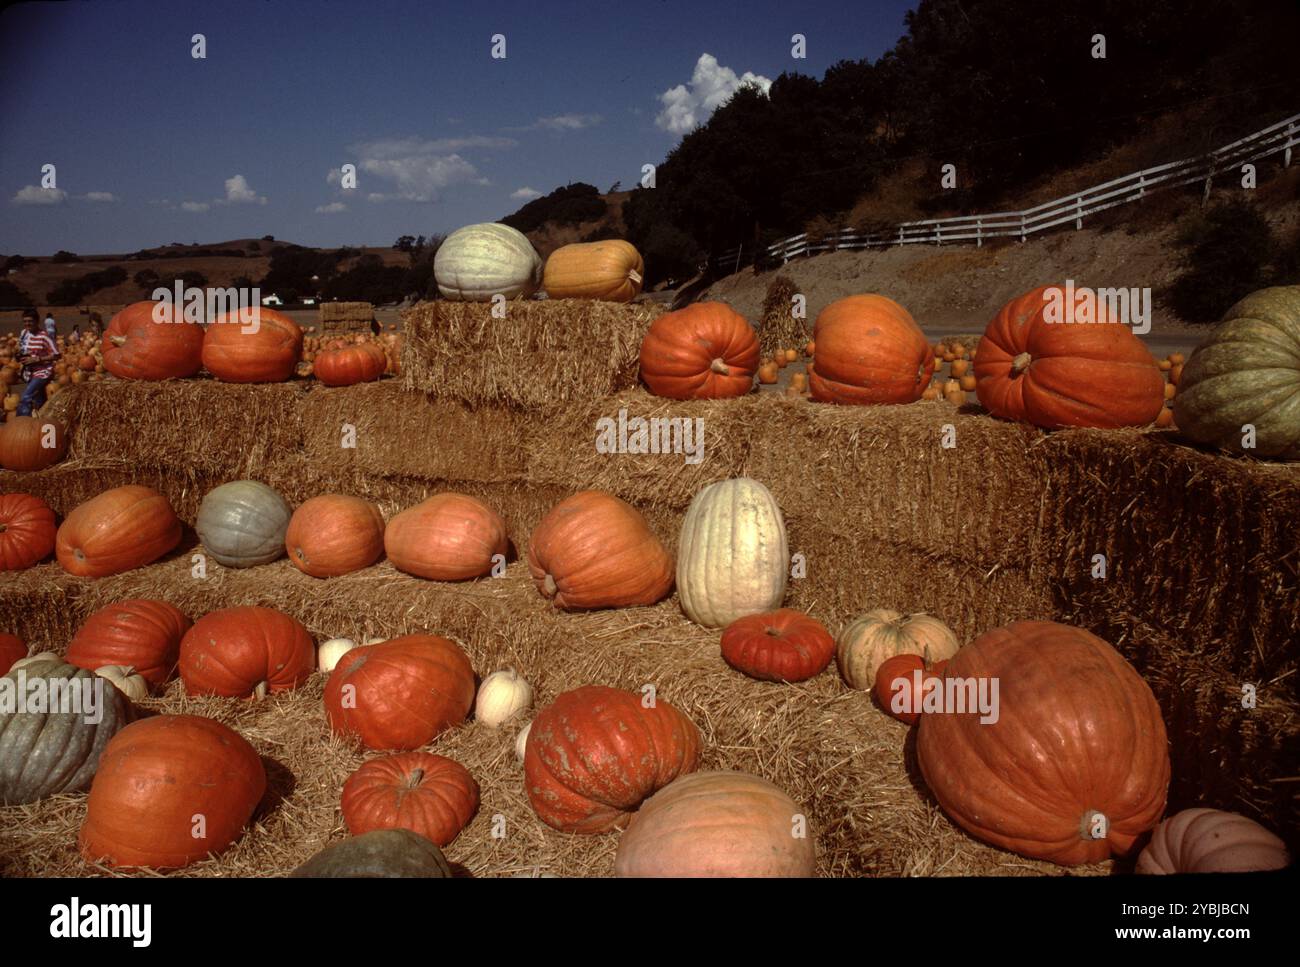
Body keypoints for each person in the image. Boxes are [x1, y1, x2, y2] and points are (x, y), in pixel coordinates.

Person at [17, 312, 59, 416]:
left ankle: (22, 423)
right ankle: (42, 421)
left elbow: (57, 355)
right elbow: (23, 348)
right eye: (25, 321)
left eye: (30, 321)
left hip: (42, 372)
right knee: (39, 401)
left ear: (37, 321)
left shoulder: (45, 336)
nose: (27, 324)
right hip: (28, 372)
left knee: (26, 397)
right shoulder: (24, 333)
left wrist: (37, 359)